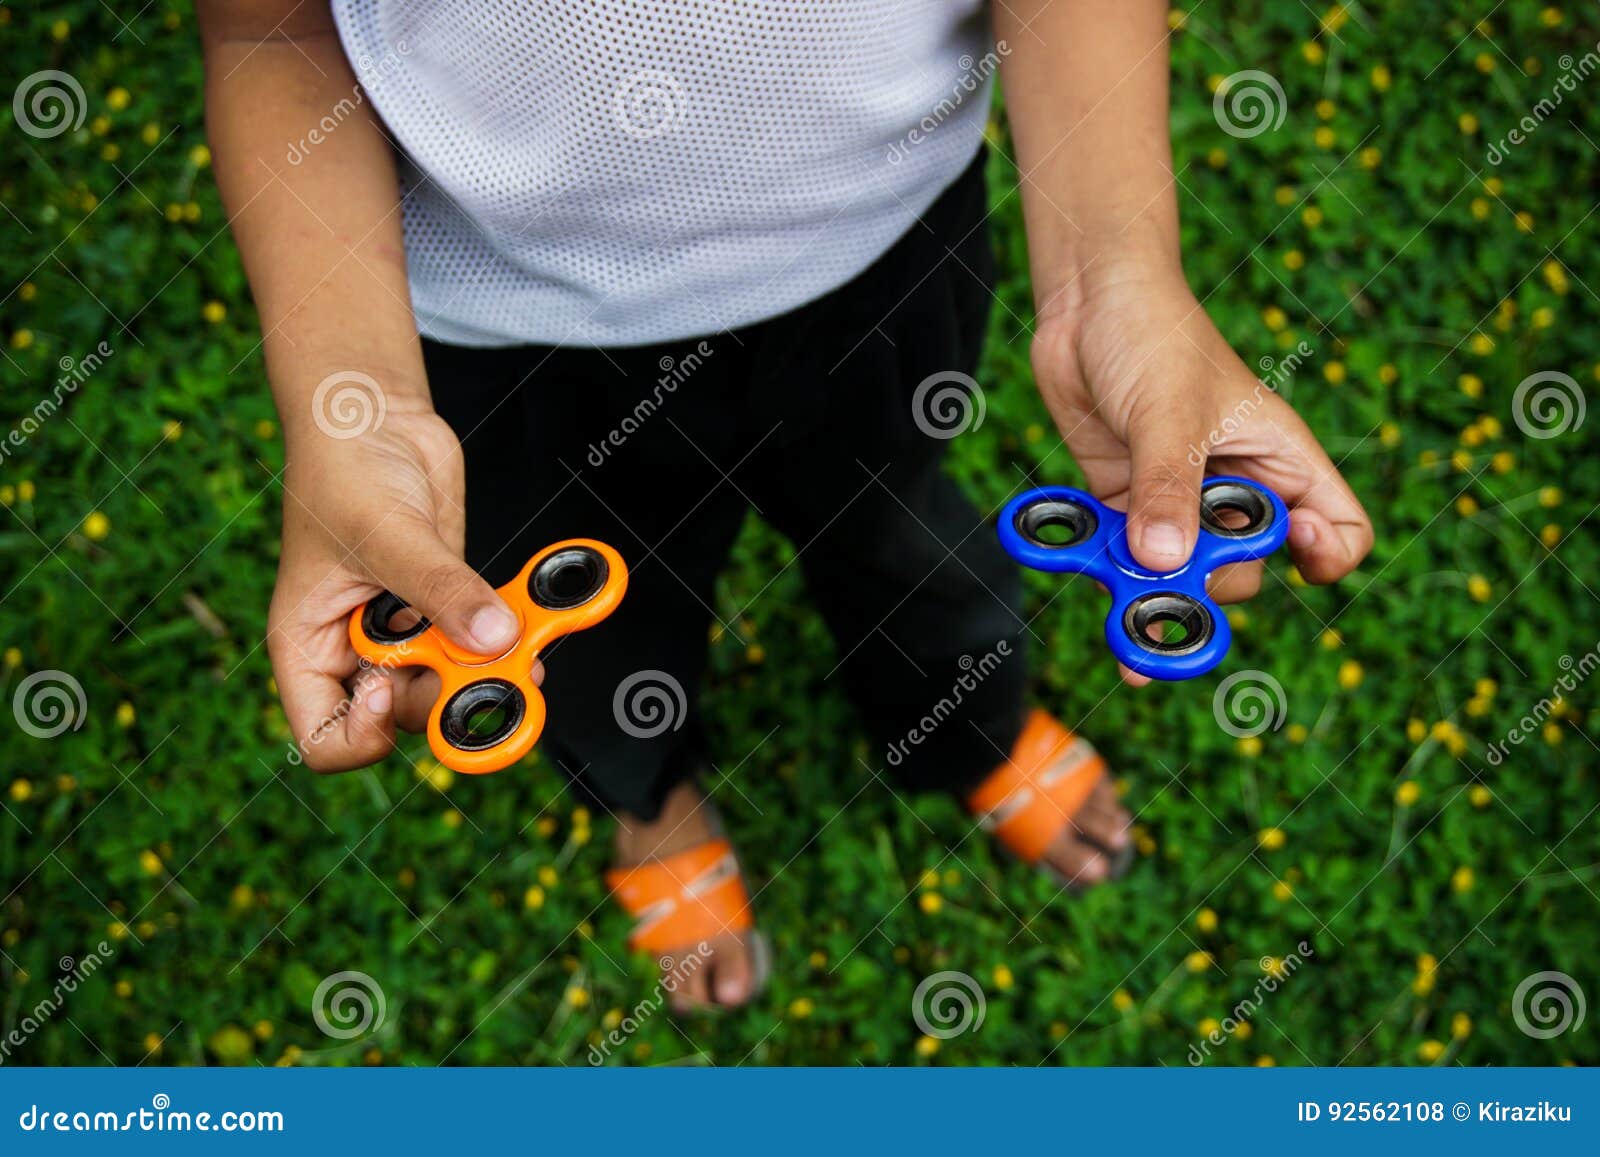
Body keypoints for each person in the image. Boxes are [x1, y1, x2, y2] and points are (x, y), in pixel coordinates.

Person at [198, 0, 1373, 1011]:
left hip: (884, 251)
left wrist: (1117, 273)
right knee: (564, 611)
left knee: (898, 524)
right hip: (500, 325)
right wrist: (353, 410)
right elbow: (266, 26)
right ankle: (645, 791)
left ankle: (969, 726)